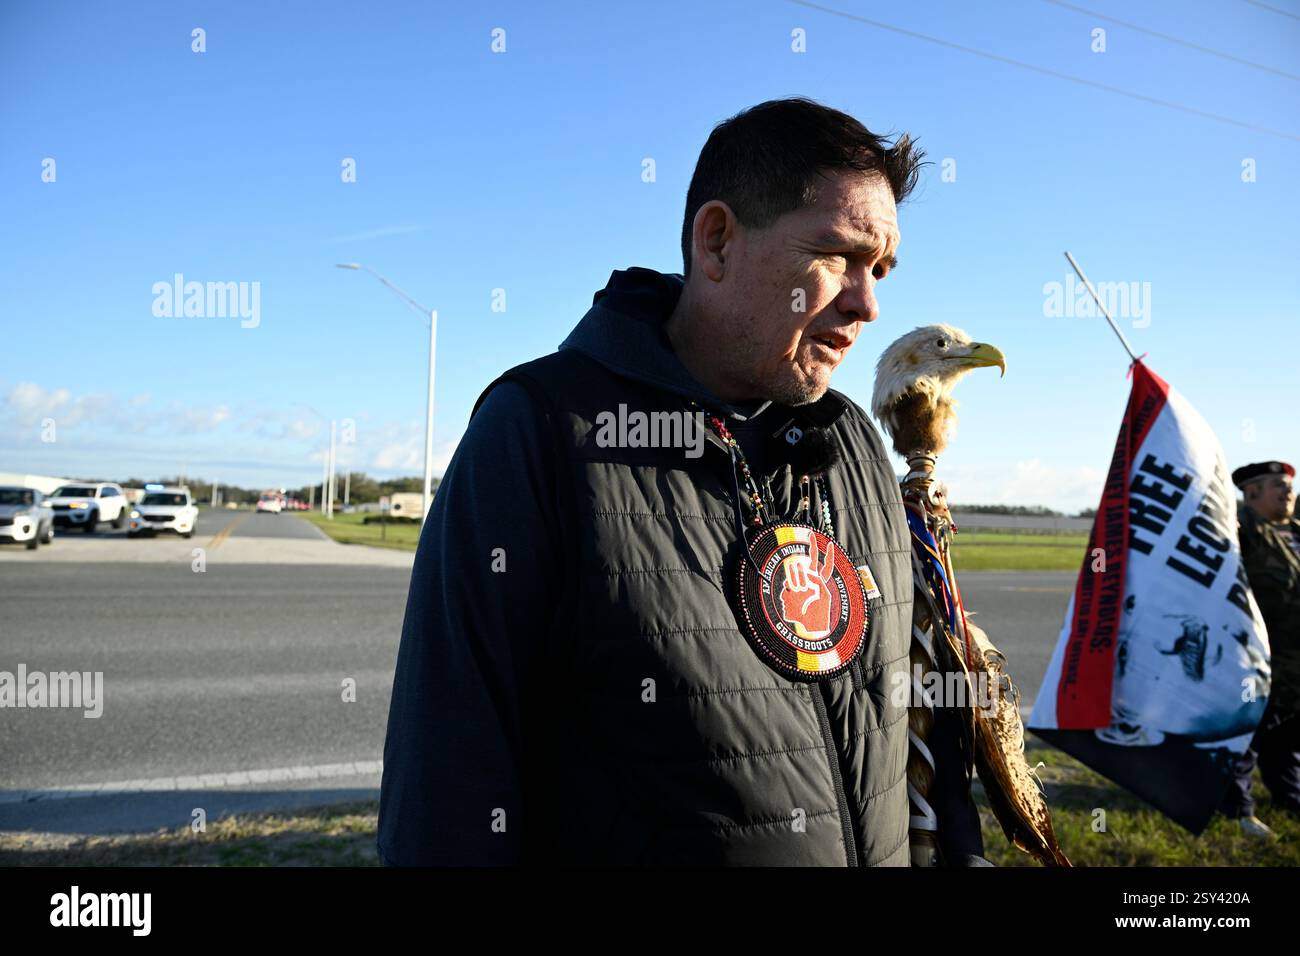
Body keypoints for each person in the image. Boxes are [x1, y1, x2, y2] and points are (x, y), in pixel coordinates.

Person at [377, 97, 986, 865]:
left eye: (881, 268)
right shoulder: (539, 435)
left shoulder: (856, 446)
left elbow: (922, 755)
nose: (867, 302)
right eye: (837, 256)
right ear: (717, 241)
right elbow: (448, 799)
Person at [1221, 460, 1300, 838]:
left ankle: (1289, 796)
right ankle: (1239, 810)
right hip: (1258, 656)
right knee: (1248, 734)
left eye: (1289, 486)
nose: (1288, 492)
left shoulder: (1297, 532)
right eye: (1277, 486)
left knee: (1287, 737)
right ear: (1251, 493)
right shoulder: (1244, 529)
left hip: (1296, 662)